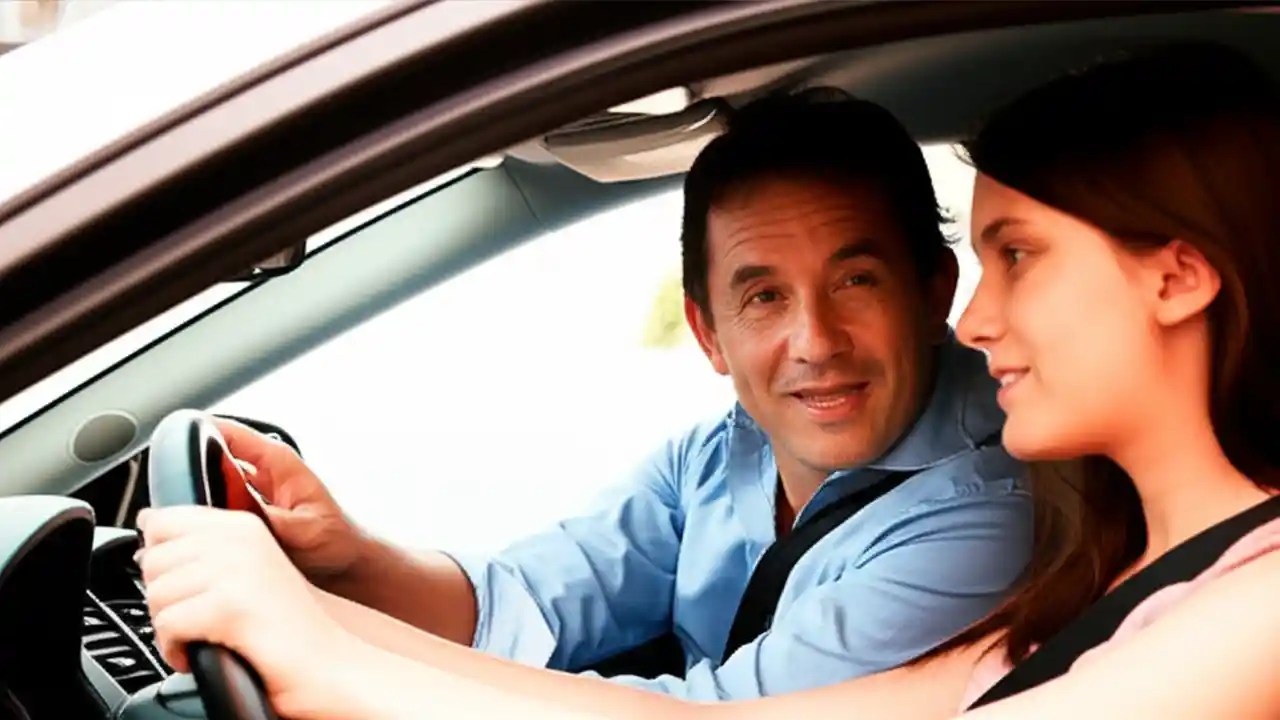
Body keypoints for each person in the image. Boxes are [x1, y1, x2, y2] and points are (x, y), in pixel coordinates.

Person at [137, 40, 1280, 718]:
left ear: (1176, 275)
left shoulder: (1253, 607)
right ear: (708, 330)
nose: (976, 322)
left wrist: (324, 658)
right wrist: (323, 608)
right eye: (762, 298)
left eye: (1016, 257)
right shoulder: (1095, 570)